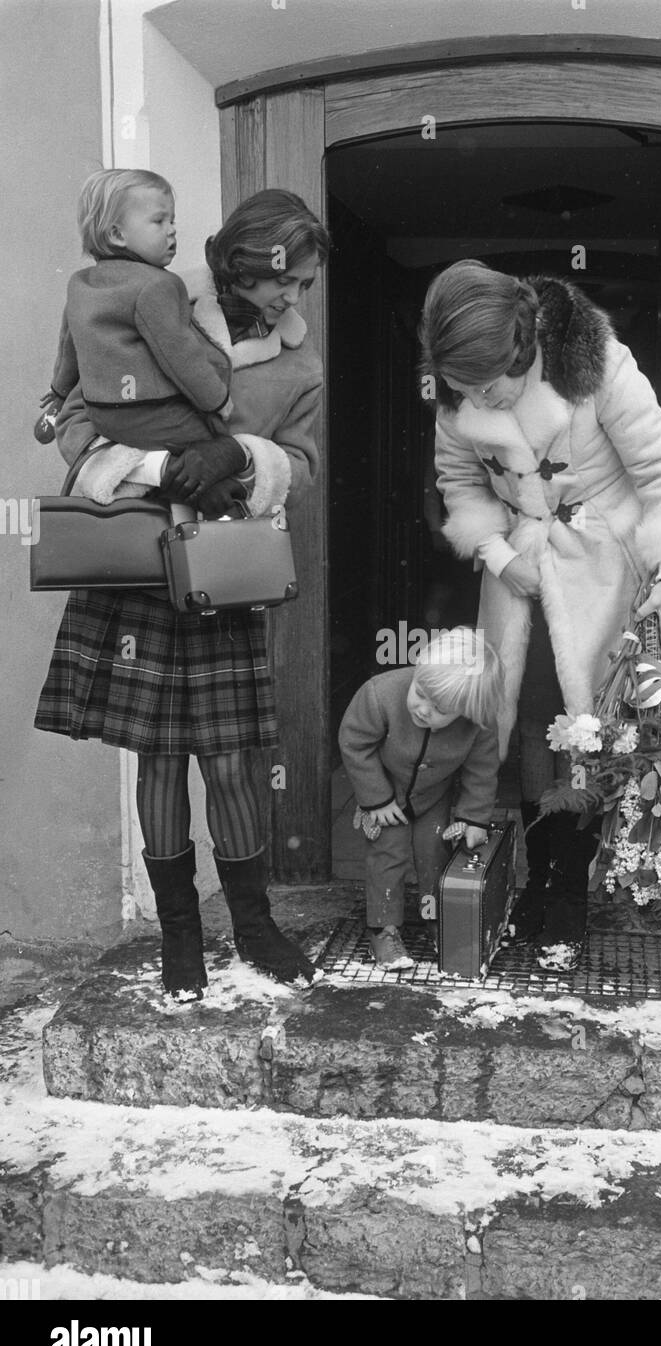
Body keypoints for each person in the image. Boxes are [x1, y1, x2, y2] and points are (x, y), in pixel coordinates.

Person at [35, 189, 330, 999]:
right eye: (286, 281)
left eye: (303, 287)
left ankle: (255, 923)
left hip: (221, 572)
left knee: (233, 763)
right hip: (134, 564)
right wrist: (155, 468)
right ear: (240, 262)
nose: (292, 299)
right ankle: (180, 936)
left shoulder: (301, 366)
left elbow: (299, 467)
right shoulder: (146, 293)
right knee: (156, 758)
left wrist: (243, 459)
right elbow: (71, 418)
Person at [419, 260, 661, 969]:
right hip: (518, 578)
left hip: (602, 574)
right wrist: (493, 550)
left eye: (489, 387)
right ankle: (529, 882)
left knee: (591, 736)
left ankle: (569, 896)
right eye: (464, 391)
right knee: (515, 731)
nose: (474, 400)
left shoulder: (600, 365)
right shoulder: (461, 391)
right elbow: (457, 480)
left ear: (524, 350)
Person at [38, 169, 234, 458]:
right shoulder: (158, 285)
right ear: (117, 234)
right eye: (159, 221)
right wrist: (217, 401)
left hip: (101, 414)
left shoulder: (80, 283)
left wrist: (59, 391)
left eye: (172, 220)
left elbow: (70, 346)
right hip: (150, 414)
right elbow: (180, 355)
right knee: (216, 447)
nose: (172, 229)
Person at [338, 627, 502, 969]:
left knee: (434, 854)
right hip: (387, 797)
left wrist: (473, 817)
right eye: (421, 692)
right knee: (388, 854)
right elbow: (355, 743)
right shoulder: (380, 694)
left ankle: (437, 919)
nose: (424, 709)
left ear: (466, 711)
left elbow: (481, 769)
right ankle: (383, 929)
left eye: (439, 708)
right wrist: (376, 799)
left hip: (433, 798)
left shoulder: (479, 723)